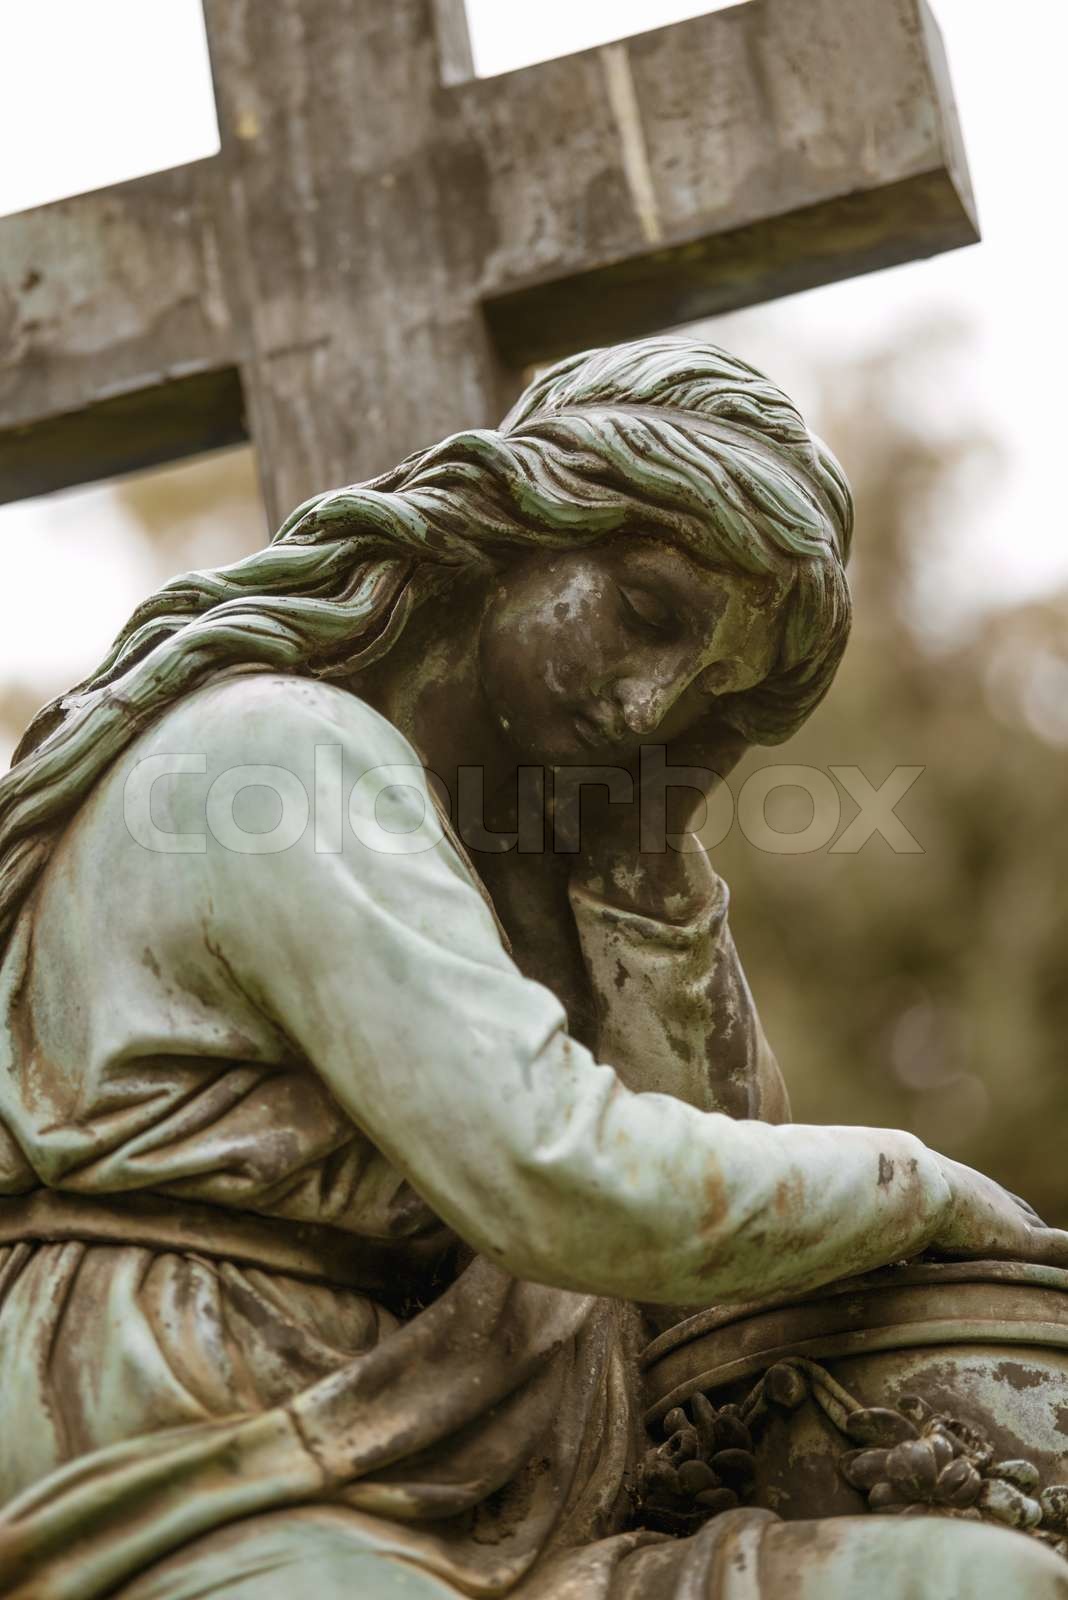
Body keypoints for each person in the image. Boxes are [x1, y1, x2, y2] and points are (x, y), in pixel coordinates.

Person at [0, 338, 1064, 1599]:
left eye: (710, 693)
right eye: (649, 615)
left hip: (462, 1473)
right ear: (522, 520)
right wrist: (909, 1184)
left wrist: (642, 864)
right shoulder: (274, 757)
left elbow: (699, 1287)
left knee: (973, 1577)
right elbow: (560, 1175)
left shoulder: (519, 856)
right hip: (193, 1457)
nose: (651, 706)